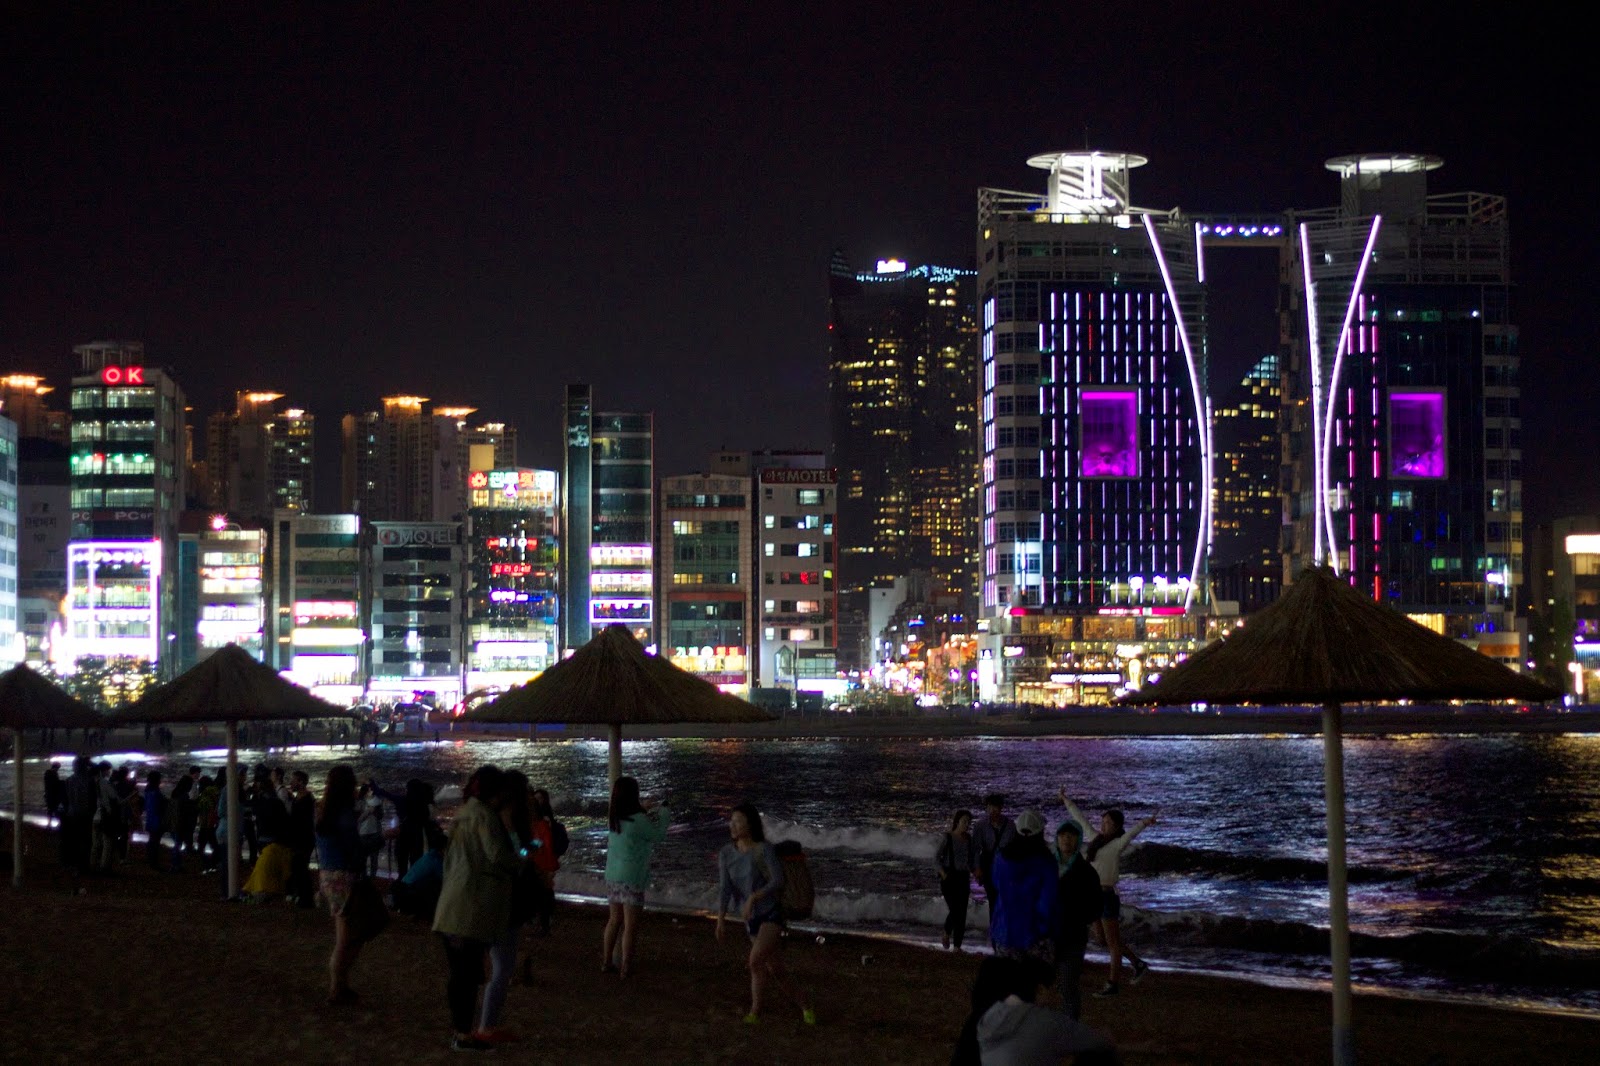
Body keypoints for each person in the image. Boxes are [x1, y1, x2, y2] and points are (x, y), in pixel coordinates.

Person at [433, 765, 520, 1053]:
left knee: (460, 974)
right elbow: (497, 855)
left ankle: (460, 1031)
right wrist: (520, 859)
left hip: (451, 902)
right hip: (470, 906)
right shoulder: (484, 817)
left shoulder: (463, 814)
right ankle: (462, 1035)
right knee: (468, 976)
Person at [716, 803, 815, 1026]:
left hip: (771, 913)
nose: (733, 825)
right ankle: (805, 1005)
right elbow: (725, 888)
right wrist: (720, 919)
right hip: (751, 919)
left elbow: (777, 880)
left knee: (754, 960)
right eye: (731, 821)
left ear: (750, 825)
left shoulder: (763, 849)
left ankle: (755, 1011)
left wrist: (754, 897)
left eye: (738, 821)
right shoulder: (726, 854)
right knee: (775, 968)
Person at [1062, 788, 1157, 997]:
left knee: (1113, 942)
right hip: (1091, 895)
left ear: (1116, 827)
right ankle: (1138, 963)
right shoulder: (1095, 839)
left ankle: (1112, 984)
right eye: (1103, 822)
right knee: (1102, 939)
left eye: (1108, 823)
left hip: (1106, 896)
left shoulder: (1117, 844)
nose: (1104, 825)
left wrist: (1144, 823)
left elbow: (1131, 834)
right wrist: (1066, 800)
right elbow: (1081, 819)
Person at [950, 956, 1118, 1066]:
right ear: (1040, 989)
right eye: (1051, 989)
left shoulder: (985, 1020)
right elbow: (1099, 1041)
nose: (1055, 995)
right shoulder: (1045, 1021)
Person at [478, 770, 537, 1043]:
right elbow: (513, 859)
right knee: (502, 968)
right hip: (505, 901)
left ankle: (487, 1024)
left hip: (494, 899)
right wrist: (531, 849)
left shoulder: (490, 820)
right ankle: (487, 1026)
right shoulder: (508, 825)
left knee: (498, 966)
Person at [601, 776, 670, 979]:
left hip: (613, 875)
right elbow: (657, 835)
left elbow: (637, 819)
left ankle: (606, 962)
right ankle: (626, 967)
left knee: (614, 920)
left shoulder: (615, 818)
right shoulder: (638, 820)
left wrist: (645, 808)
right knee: (631, 925)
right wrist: (664, 813)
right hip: (632, 877)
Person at [315, 765, 367, 1006]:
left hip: (327, 875)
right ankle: (337, 988)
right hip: (345, 877)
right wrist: (379, 840)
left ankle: (340, 986)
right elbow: (354, 850)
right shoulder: (345, 816)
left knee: (344, 935)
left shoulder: (323, 812)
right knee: (346, 939)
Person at [989, 810, 1058, 964]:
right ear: (1040, 832)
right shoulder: (1046, 862)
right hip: (1033, 933)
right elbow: (1047, 901)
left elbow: (996, 883)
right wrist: (1043, 929)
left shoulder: (1001, 858)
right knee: (1030, 983)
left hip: (1003, 929)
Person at [1053, 820, 1103, 1020]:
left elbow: (1096, 905)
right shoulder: (1047, 866)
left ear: (1078, 840)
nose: (1066, 838)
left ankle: (1068, 1031)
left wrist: (1081, 919)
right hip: (1046, 935)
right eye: (1063, 835)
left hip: (1072, 936)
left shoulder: (1086, 872)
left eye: (1071, 835)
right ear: (1057, 839)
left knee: (1068, 985)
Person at [935, 809, 979, 951]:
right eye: (964, 821)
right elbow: (936, 859)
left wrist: (976, 872)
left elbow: (971, 860)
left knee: (962, 912)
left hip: (963, 877)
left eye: (969, 822)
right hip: (949, 877)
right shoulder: (948, 837)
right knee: (955, 910)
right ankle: (947, 932)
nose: (967, 824)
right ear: (957, 821)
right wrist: (944, 874)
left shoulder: (969, 840)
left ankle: (957, 946)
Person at [973, 793, 1016, 903]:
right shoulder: (980, 826)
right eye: (989, 807)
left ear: (1001, 808)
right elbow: (976, 848)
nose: (992, 811)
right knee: (992, 898)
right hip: (988, 865)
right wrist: (977, 868)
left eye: (995, 807)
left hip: (1005, 864)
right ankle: (994, 920)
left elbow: (1016, 847)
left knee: (1005, 898)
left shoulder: (1010, 825)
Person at [286, 770, 318, 907]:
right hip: (299, 838)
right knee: (298, 867)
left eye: (293, 781)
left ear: (301, 782)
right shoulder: (299, 798)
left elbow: (304, 822)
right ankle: (302, 896)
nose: (291, 783)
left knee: (300, 867)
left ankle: (306, 898)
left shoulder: (305, 800)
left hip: (303, 839)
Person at [168, 775, 197, 873]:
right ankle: (176, 866)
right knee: (178, 845)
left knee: (176, 844)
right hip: (180, 823)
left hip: (173, 822)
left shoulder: (174, 793)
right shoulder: (184, 796)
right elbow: (185, 811)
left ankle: (175, 865)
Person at [143, 771, 168, 871]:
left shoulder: (148, 790)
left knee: (152, 840)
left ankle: (151, 860)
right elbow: (160, 806)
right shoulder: (156, 792)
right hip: (157, 819)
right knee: (155, 841)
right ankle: (154, 862)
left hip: (150, 819)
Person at [43, 762, 65, 827]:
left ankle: (49, 823)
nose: (58, 769)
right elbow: (56, 784)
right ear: (56, 767)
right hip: (54, 795)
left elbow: (48, 784)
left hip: (48, 795)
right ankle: (59, 823)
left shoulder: (47, 773)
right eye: (58, 768)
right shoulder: (54, 773)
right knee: (55, 810)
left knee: (50, 810)